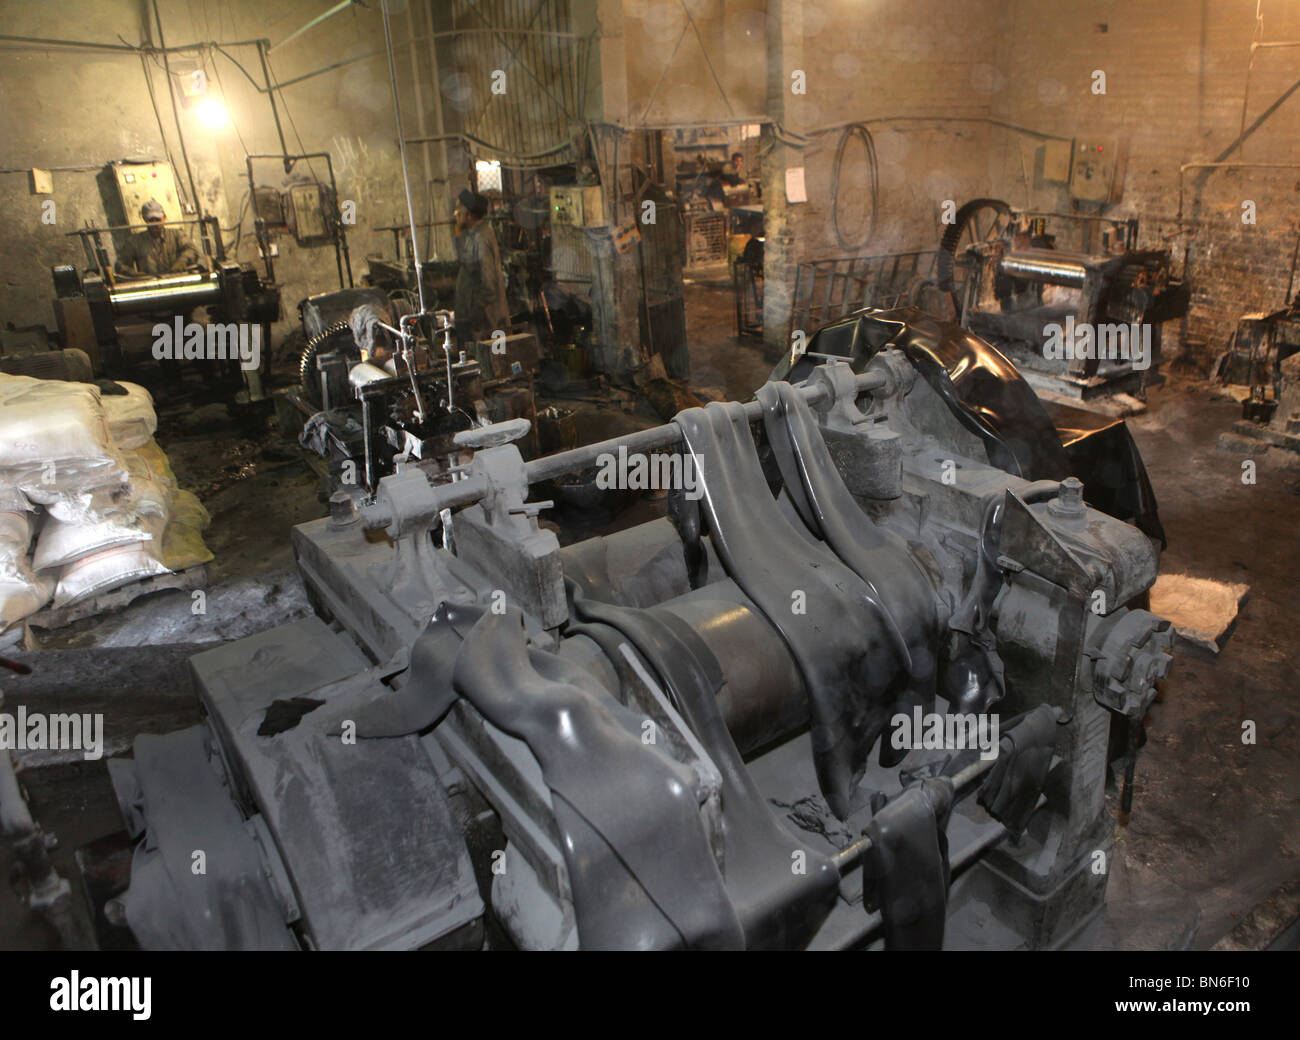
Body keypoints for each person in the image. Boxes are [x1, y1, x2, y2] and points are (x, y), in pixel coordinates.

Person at [452, 188, 510, 345]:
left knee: (496, 360)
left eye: (458, 210)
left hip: (488, 320)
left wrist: (476, 311)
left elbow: (488, 281)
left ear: (469, 215)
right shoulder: (472, 235)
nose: (455, 214)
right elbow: (467, 264)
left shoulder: (481, 238)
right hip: (478, 320)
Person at [115, 199, 200, 278]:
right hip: (150, 285)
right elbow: (120, 264)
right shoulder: (135, 241)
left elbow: (192, 250)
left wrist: (182, 261)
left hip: (178, 280)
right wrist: (136, 275)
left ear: (164, 217)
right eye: (151, 220)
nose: (155, 223)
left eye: (158, 219)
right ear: (145, 219)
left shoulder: (177, 234)